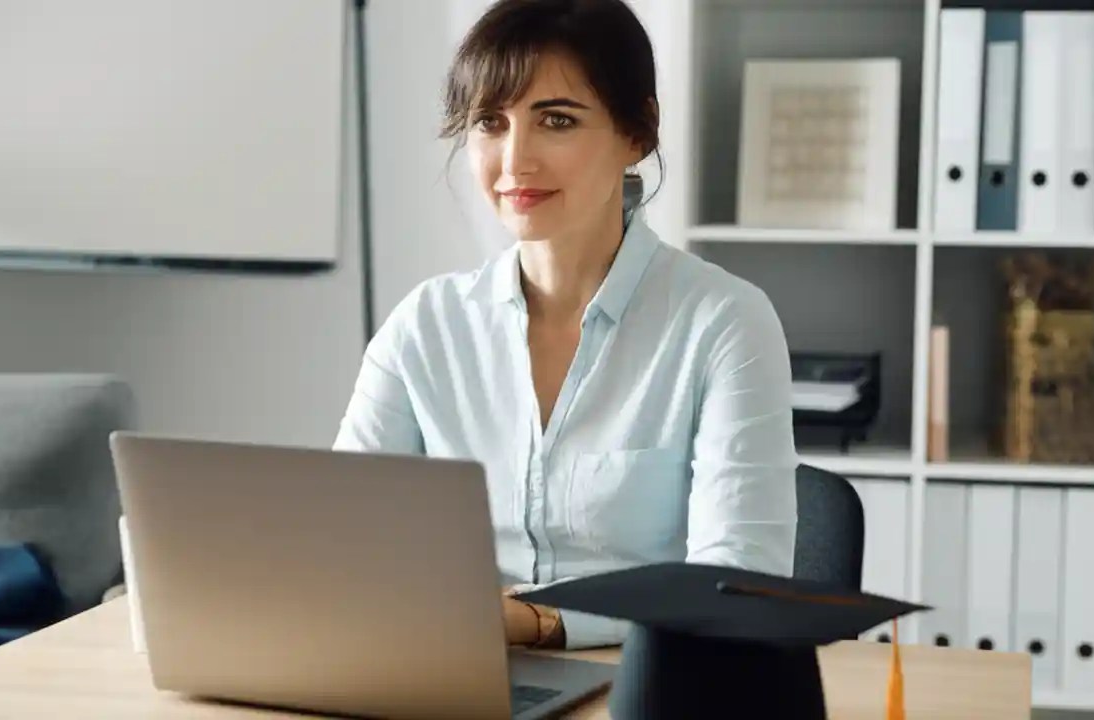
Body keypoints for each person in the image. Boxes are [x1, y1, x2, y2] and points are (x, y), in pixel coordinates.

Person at [334, 0, 797, 651]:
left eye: (556, 120)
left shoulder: (723, 323)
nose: (514, 160)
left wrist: (540, 622)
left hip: (648, 684)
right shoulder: (425, 327)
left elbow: (741, 582)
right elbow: (341, 539)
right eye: (490, 122)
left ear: (638, 132)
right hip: (447, 671)